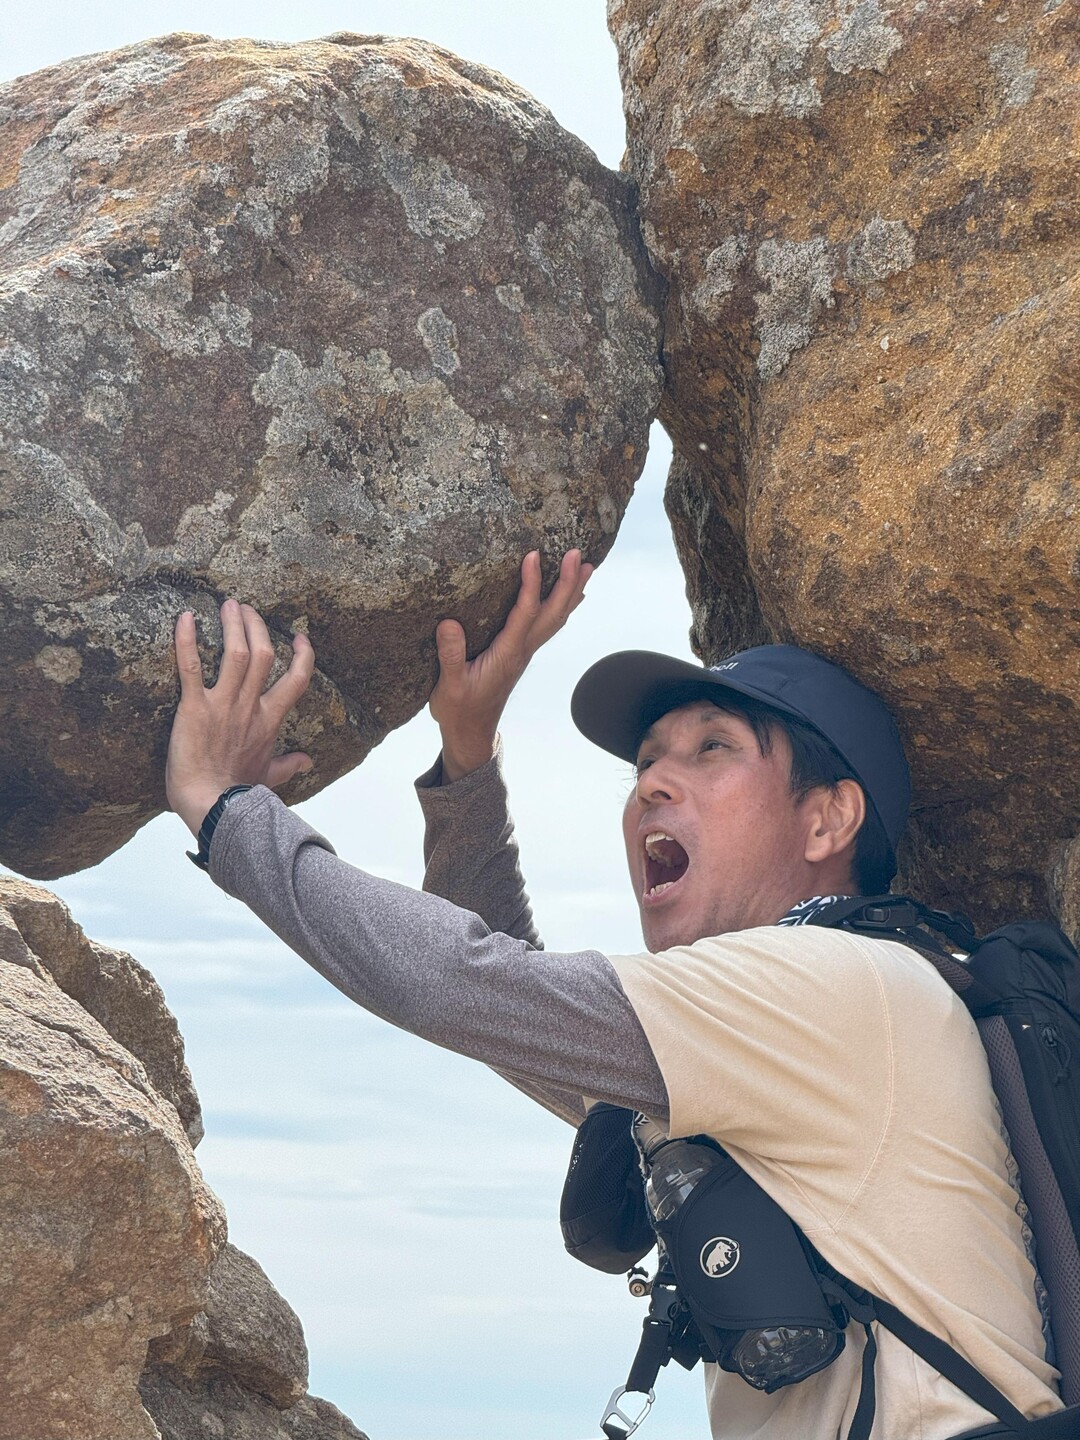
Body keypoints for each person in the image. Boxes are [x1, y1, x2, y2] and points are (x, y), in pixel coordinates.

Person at [166, 551, 1061, 1440]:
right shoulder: (786, 1043)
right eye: (644, 764)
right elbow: (508, 1010)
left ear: (827, 818)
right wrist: (468, 759)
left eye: (713, 748)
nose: (652, 785)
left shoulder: (833, 988)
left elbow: (463, 983)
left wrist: (222, 806)